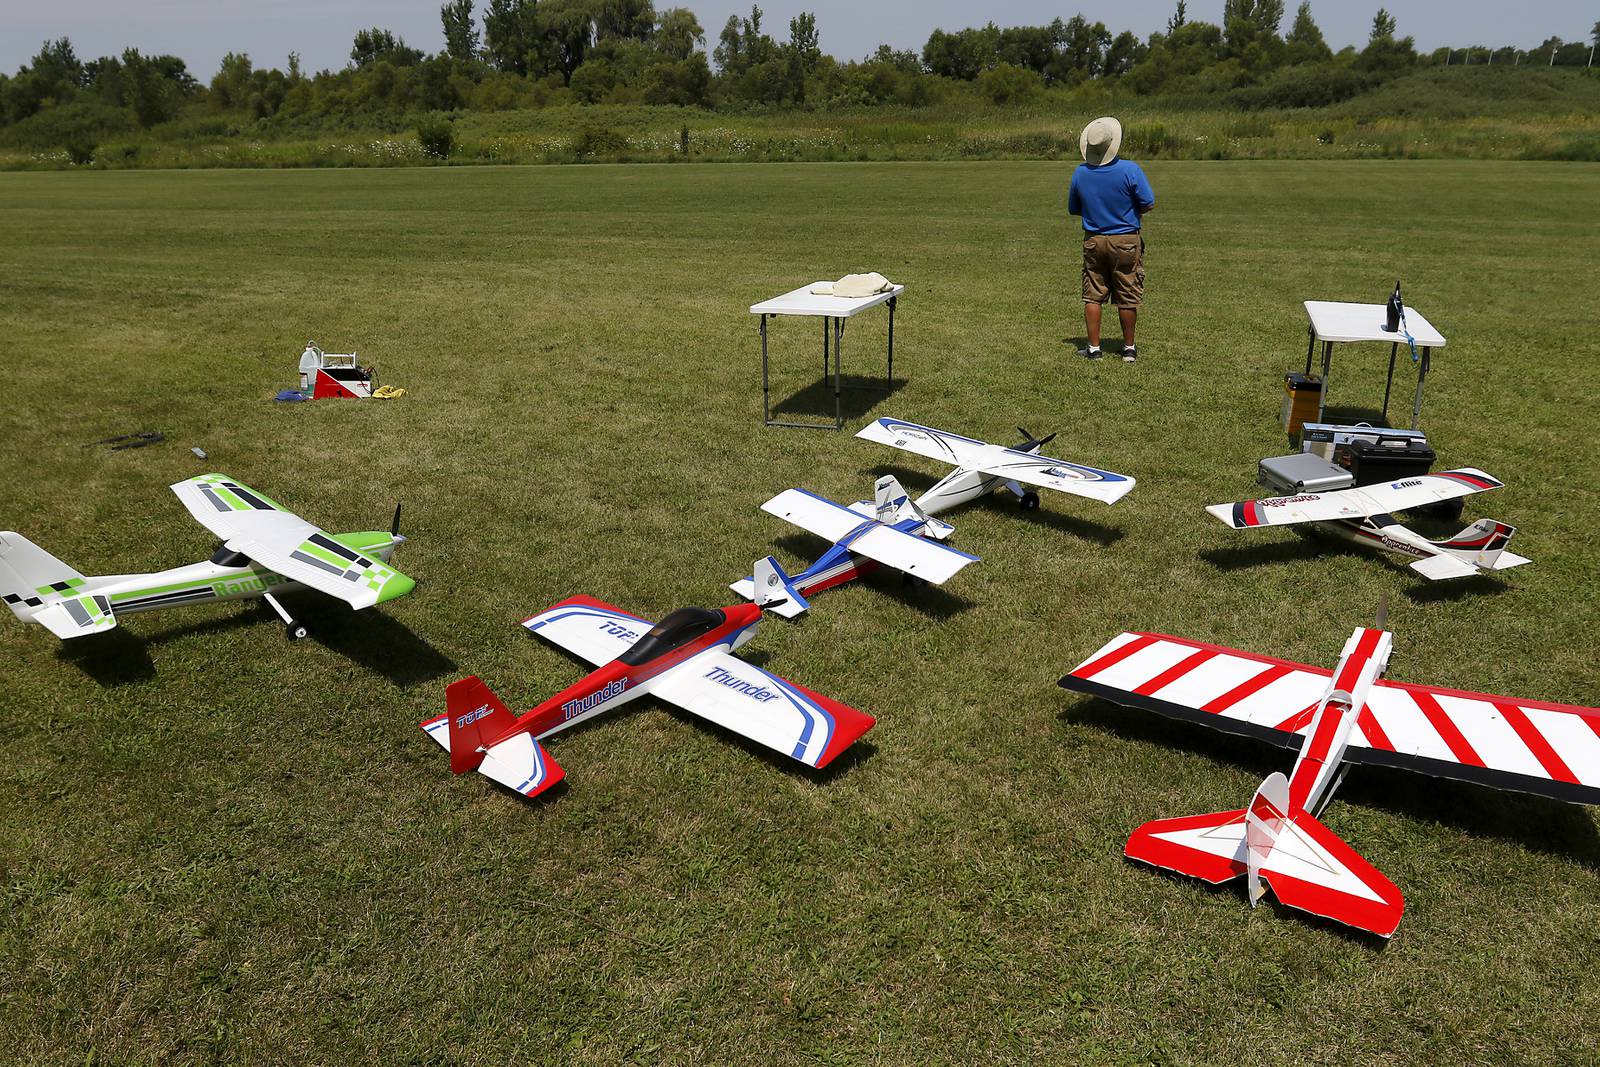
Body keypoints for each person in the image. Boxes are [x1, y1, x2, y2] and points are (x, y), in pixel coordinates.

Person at [1067, 116, 1155, 363]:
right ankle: (1128, 348)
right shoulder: (1130, 169)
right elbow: (1148, 203)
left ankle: (1094, 349)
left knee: (1093, 294)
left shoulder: (1080, 173)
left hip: (1094, 240)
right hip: (1126, 241)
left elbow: (1074, 208)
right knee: (1127, 293)